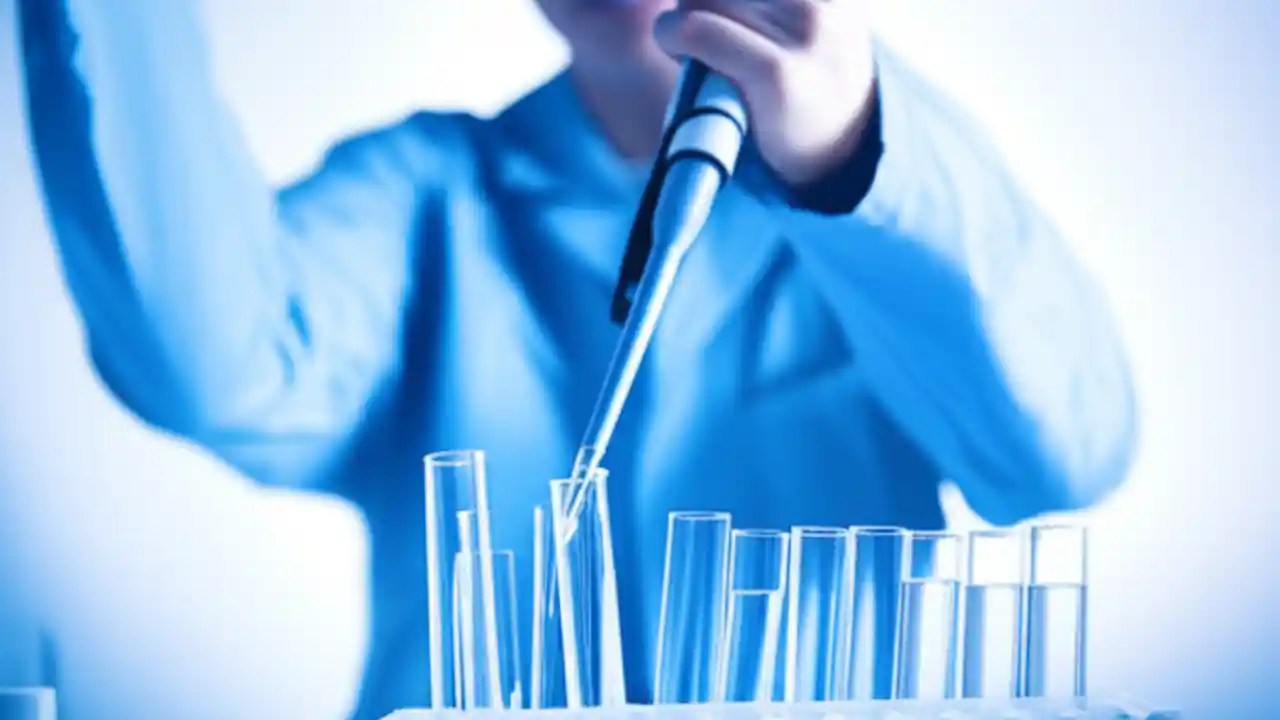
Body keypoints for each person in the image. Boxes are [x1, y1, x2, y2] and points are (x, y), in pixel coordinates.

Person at [18, 0, 1137, 717]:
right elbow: (210, 363)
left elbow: (1064, 452)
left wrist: (851, 155)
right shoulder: (428, 200)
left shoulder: (896, 197)